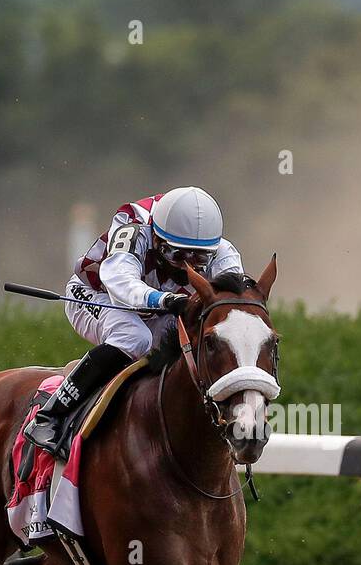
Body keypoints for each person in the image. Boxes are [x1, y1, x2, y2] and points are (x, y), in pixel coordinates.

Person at [23, 186, 244, 456]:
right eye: (177, 255)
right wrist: (163, 300)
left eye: (198, 258)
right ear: (157, 238)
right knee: (135, 338)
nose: (186, 266)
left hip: (160, 309)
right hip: (97, 295)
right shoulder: (134, 228)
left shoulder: (222, 251)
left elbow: (232, 302)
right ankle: (51, 416)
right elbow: (121, 284)